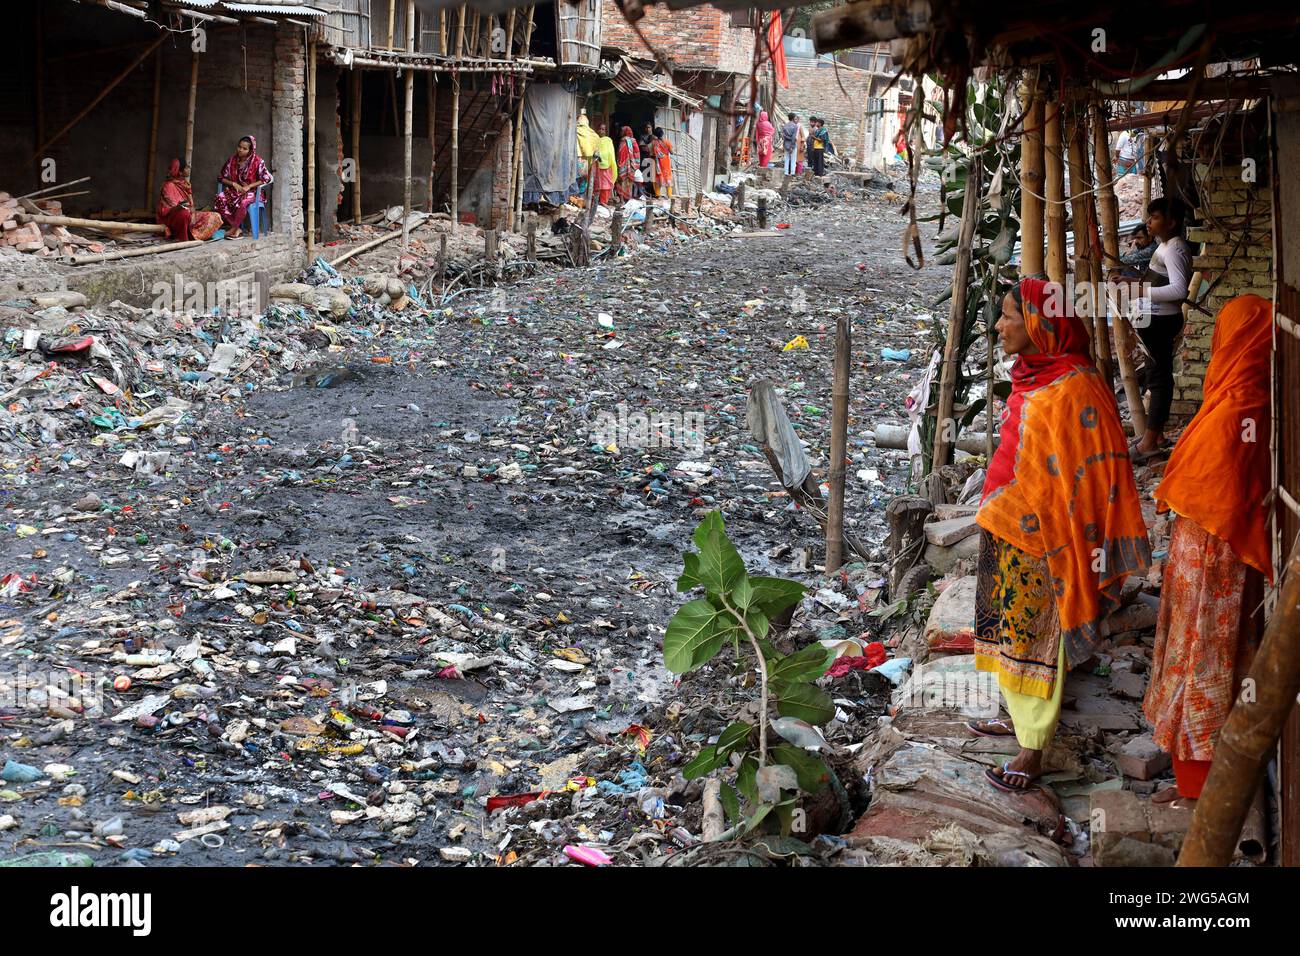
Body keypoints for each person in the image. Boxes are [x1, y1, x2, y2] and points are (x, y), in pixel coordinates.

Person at [969, 278, 1152, 792]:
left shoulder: (1075, 385)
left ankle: (1032, 752)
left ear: (1041, 324)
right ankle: (1015, 717)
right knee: (1009, 626)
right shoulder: (1032, 374)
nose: (1000, 326)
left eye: (1009, 316)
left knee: (1036, 638)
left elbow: (1096, 472)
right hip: (1006, 522)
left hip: (1045, 538)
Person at [1143, 295, 1272, 807]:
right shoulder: (1240, 395)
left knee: (1204, 659)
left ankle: (1199, 785)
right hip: (1207, 551)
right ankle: (1193, 775)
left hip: (1216, 557)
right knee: (1203, 656)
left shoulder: (1243, 404)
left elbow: (1224, 485)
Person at [1131, 197, 1193, 460]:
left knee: (1159, 380)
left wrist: (1140, 290)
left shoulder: (1175, 250)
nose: (1149, 222)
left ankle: (1148, 444)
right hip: (1153, 319)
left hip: (1160, 321)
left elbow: (1180, 289)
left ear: (1171, 222)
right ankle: (1155, 435)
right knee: (1157, 376)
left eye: (1154, 217)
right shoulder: (1165, 245)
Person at [214, 135, 272, 239]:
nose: (240, 150)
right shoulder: (232, 160)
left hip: (254, 192)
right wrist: (233, 184)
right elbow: (220, 177)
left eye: (244, 148)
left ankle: (233, 229)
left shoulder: (258, 162)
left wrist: (249, 186)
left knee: (243, 202)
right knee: (220, 198)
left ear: (250, 150)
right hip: (236, 191)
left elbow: (266, 178)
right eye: (239, 147)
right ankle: (236, 228)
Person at [159, 159, 221, 241]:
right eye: (187, 167)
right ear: (180, 172)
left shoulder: (185, 184)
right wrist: (182, 207)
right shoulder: (169, 186)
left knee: (215, 216)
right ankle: (183, 237)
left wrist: (192, 210)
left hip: (189, 215)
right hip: (173, 218)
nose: (189, 168)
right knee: (183, 214)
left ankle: (192, 235)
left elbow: (191, 205)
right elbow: (171, 207)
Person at [594, 124, 617, 207]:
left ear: (605, 131)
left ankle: (604, 201)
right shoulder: (595, 139)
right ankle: (596, 201)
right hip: (596, 165)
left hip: (607, 165)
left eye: (603, 129)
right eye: (600, 129)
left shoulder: (608, 140)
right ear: (597, 130)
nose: (601, 131)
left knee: (606, 185)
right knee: (597, 184)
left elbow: (611, 152)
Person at [616, 126, 640, 202]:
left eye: (622, 131)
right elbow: (637, 153)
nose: (621, 132)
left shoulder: (623, 141)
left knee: (622, 182)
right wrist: (636, 164)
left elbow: (619, 154)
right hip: (630, 165)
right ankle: (628, 198)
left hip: (623, 165)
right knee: (629, 182)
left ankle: (623, 199)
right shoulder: (633, 141)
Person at [653, 127, 674, 199]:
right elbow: (672, 152)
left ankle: (658, 195)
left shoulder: (655, 143)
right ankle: (669, 195)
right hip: (666, 162)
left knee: (658, 177)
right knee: (667, 177)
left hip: (658, 162)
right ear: (662, 133)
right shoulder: (667, 142)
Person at [638, 123, 657, 196]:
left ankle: (653, 192)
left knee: (653, 176)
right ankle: (645, 192)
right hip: (645, 159)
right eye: (646, 127)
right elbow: (644, 148)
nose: (647, 129)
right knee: (645, 176)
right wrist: (651, 143)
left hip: (653, 160)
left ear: (652, 128)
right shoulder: (642, 137)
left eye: (649, 127)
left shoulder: (655, 137)